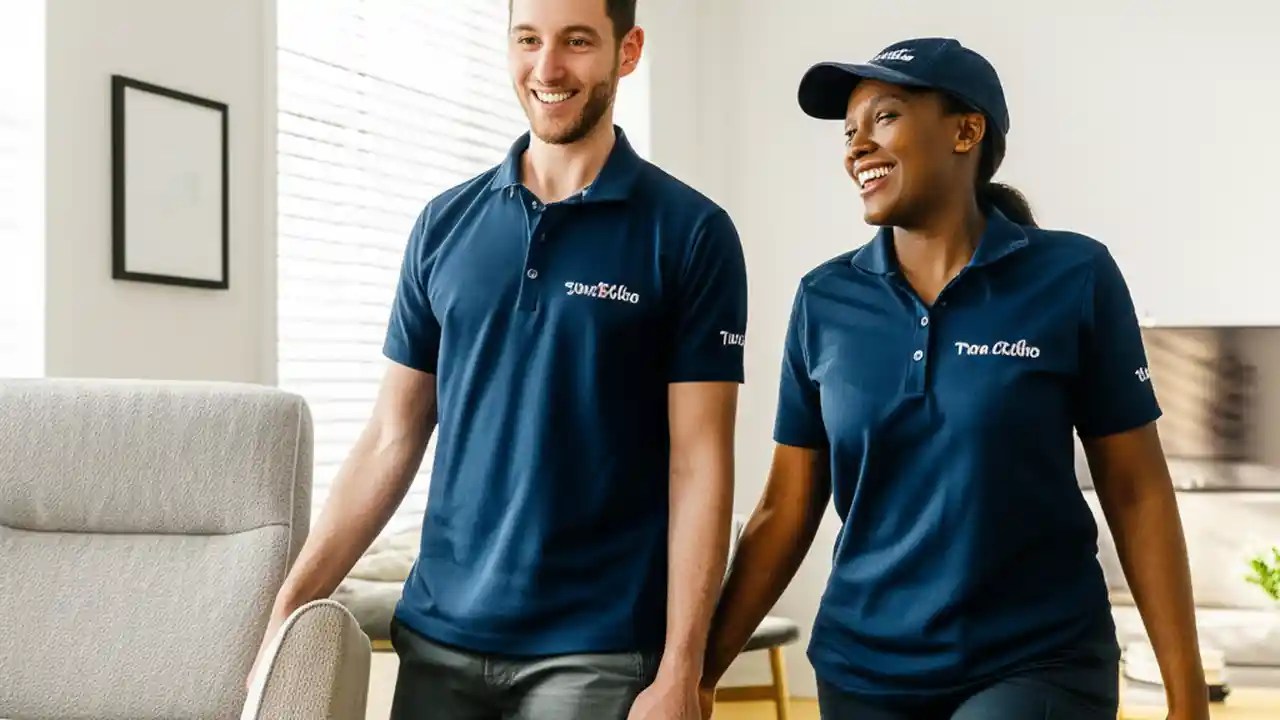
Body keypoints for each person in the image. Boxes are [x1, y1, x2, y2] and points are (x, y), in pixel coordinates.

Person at [248, 1, 748, 718]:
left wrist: (682, 669)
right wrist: (289, 607)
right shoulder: (444, 225)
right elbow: (393, 434)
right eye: (528, 40)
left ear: (627, 51)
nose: (548, 68)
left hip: (595, 651)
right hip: (438, 639)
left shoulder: (691, 233)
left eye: (577, 42)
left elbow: (700, 463)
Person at [698, 38, 1211, 720]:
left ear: (967, 130)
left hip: (1038, 661)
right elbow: (786, 508)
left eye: (884, 117)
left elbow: (1136, 487)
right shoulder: (824, 299)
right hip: (862, 668)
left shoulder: (1074, 277)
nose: (856, 147)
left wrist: (1188, 696)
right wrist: (699, 673)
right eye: (849, 132)